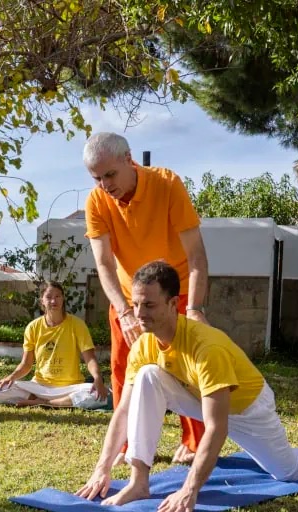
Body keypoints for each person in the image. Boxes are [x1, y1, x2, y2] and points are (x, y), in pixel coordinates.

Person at [75, 261, 298, 512]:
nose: (139, 313)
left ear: (172, 303)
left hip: (247, 408)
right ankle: (139, 482)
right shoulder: (144, 345)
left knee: (287, 471)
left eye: (149, 305)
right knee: (148, 376)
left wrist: (189, 490)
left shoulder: (207, 347)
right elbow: (124, 410)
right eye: (136, 304)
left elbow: (217, 427)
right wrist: (102, 468)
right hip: (197, 396)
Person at [83, 132, 209, 463]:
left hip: (173, 293)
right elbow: (104, 263)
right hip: (127, 299)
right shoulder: (97, 202)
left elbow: (196, 256)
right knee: (125, 370)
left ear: (129, 159)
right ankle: (127, 443)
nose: (105, 185)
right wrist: (125, 312)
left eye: (109, 174)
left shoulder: (168, 184)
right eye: (97, 178)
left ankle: (196, 441)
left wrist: (193, 308)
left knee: (185, 369)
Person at [0, 281, 108, 407]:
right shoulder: (33, 327)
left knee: (99, 396)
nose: (53, 301)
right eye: (49, 297)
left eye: (57, 296)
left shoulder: (77, 325)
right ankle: (44, 401)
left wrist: (97, 378)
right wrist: (11, 377)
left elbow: (90, 358)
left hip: (70, 387)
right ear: (42, 301)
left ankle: (46, 403)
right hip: (40, 386)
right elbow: (26, 364)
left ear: (63, 298)